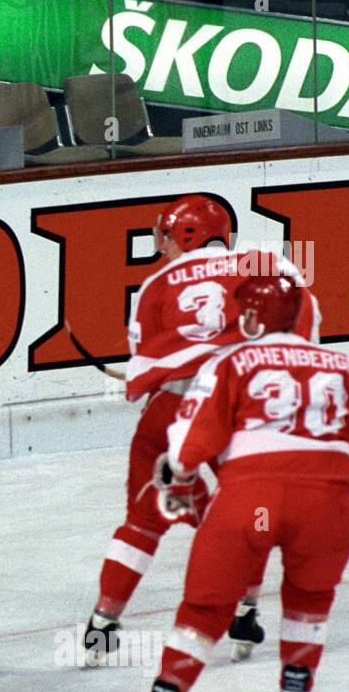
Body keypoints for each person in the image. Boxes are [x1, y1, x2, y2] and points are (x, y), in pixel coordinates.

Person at [82, 195, 321, 664]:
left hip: (174, 407)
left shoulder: (156, 284)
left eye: (167, 236)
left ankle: (102, 628)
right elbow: (305, 322)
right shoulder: (265, 264)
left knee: (143, 521)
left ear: (185, 236)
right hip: (240, 406)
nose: (163, 246)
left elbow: (144, 360)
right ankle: (245, 615)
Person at [141, 275, 349, 692]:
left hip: (249, 502)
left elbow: (187, 447)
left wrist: (179, 475)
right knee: (310, 600)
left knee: (205, 606)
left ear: (250, 318)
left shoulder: (231, 360)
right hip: (326, 507)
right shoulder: (347, 367)